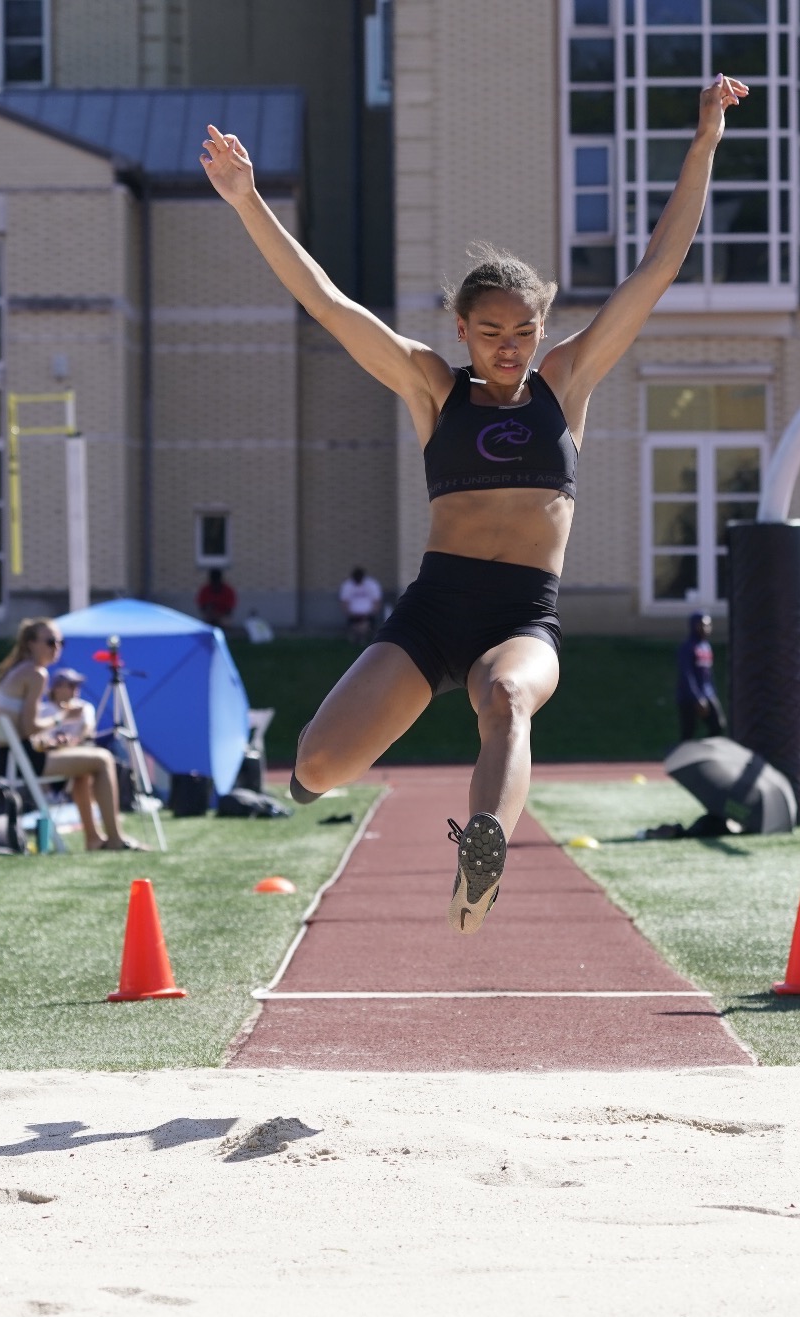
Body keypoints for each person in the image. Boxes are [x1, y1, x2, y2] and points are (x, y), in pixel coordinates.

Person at [203, 74, 751, 933]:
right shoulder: (433, 386)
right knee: (316, 765)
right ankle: (314, 780)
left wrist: (705, 142)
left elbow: (657, 269)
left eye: (524, 332)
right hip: (433, 611)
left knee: (506, 699)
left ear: (542, 330)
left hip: (523, 618)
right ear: (462, 329)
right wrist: (246, 201)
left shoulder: (566, 382)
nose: (509, 347)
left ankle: (484, 848)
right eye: (492, 332)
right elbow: (329, 305)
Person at [0, 619, 143, 851]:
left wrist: (48, 741)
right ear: (31, 644)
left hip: (7, 757)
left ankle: (94, 838)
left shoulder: (16, 671)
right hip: (20, 760)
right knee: (103, 759)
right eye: (50, 642)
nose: (57, 647)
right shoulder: (36, 673)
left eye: (61, 642)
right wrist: (63, 717)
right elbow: (29, 727)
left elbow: (21, 728)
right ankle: (115, 839)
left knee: (85, 767)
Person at [676, 612, 727, 740]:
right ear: (694, 625)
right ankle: (685, 752)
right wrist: (697, 697)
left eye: (709, 625)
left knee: (718, 725)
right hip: (689, 697)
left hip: (708, 693)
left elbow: (708, 674)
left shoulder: (706, 647)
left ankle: (706, 749)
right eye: (703, 625)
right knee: (689, 732)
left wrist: (712, 693)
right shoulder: (688, 647)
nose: (706, 628)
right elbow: (686, 674)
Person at [45, 666, 97, 748]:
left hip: (77, 751)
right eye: (71, 685)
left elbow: (88, 729)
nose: (76, 688)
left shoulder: (85, 707)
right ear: (57, 688)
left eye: (77, 685)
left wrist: (74, 742)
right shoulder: (42, 710)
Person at [339, 566, 384, 644]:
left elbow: (377, 601)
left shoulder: (372, 584)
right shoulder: (347, 585)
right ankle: (357, 639)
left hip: (368, 615)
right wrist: (349, 613)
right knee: (357, 627)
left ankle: (363, 639)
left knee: (364, 626)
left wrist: (372, 613)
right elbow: (344, 602)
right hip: (353, 615)